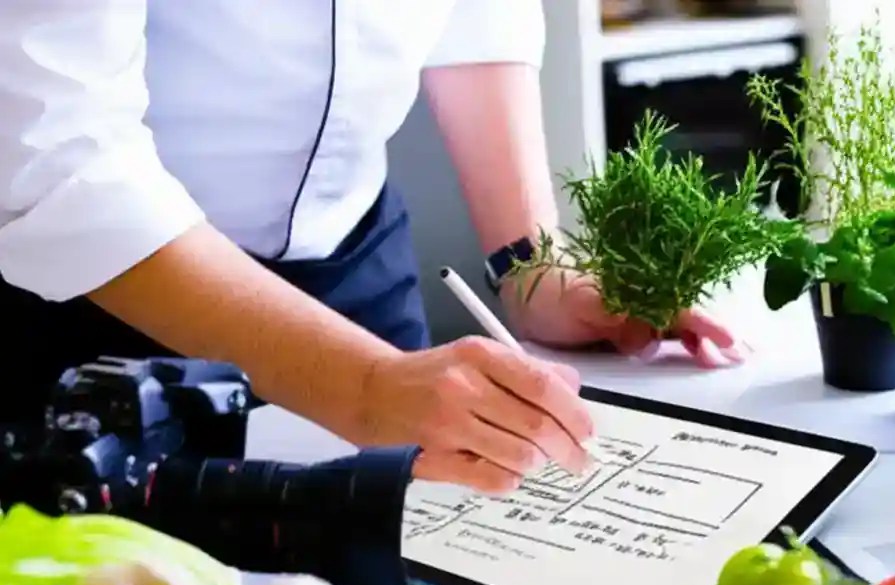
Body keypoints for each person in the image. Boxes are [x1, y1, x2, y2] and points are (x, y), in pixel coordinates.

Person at [0, 3, 742, 494]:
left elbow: (478, 13)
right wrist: (364, 389)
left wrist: (529, 263)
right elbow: (60, 158)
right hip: (103, 305)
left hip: (360, 282)